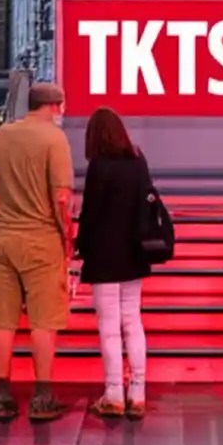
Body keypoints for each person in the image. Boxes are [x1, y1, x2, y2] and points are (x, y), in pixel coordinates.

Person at [0, 82, 74, 422]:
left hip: (4, 235)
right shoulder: (55, 139)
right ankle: (42, 396)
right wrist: (68, 234)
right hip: (41, 238)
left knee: (2, 319)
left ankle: (3, 394)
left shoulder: (2, 136)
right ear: (54, 106)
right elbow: (61, 197)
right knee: (43, 320)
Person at [75, 107, 153, 419]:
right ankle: (138, 391)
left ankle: (113, 393)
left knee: (109, 327)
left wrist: (81, 246)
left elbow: (91, 215)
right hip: (134, 253)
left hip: (105, 256)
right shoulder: (138, 159)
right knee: (132, 320)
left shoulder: (99, 166)